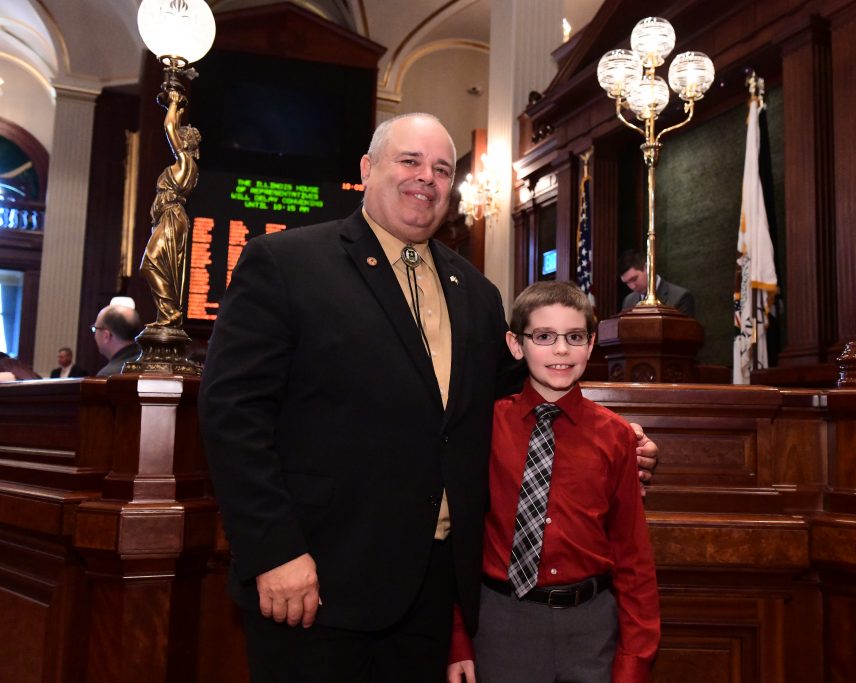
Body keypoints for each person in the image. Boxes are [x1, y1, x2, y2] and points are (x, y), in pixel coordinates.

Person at [198, 113, 657, 682]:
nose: (427, 178)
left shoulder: (477, 293)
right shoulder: (287, 263)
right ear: (367, 170)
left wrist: (614, 433)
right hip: (315, 582)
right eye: (409, 161)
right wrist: (273, 551)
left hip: (433, 595)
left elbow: (520, 398)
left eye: (442, 169)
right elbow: (232, 414)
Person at [447, 282, 659, 683]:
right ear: (515, 344)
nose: (561, 350)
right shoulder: (482, 426)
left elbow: (633, 556)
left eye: (574, 337)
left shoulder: (615, 436)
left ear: (591, 344)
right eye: (543, 337)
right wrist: (457, 638)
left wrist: (634, 662)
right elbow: (455, 540)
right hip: (501, 622)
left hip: (592, 626)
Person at [139, 87, 201, 328]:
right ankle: (168, 313)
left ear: (186, 142)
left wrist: (173, 104)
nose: (177, 135)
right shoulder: (187, 163)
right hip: (169, 217)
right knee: (166, 268)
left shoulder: (186, 160)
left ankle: (170, 312)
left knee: (151, 263)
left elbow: (168, 128)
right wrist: (178, 110)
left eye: (181, 134)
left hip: (172, 217)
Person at [619, 248, 695, 317]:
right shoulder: (628, 301)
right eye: (627, 283)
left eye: (634, 279)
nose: (632, 286)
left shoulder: (680, 297)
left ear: (648, 267)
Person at [91, 304, 143, 376]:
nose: (94, 335)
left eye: (95, 329)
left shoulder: (108, 376)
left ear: (106, 336)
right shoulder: (155, 364)